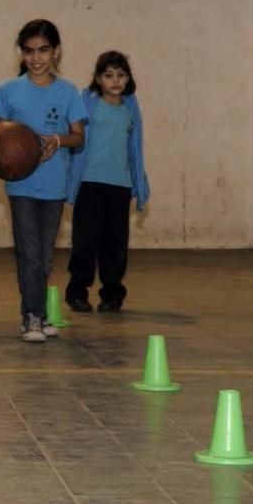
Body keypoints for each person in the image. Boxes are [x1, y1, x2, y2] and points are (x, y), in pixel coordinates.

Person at [0, 19, 88, 342]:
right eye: (29, 51)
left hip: (54, 186)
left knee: (44, 257)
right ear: (21, 53)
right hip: (21, 186)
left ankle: (40, 314)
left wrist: (58, 140)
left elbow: (79, 136)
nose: (36, 58)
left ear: (55, 52)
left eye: (43, 50)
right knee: (29, 252)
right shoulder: (9, 91)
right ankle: (31, 316)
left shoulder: (68, 92)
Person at [64, 51, 149, 313]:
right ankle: (77, 292)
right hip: (89, 185)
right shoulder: (87, 104)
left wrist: (139, 182)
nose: (115, 81)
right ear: (99, 79)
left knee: (115, 244)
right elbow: (73, 138)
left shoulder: (130, 109)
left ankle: (112, 294)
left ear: (128, 79)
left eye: (121, 75)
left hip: (120, 187)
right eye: (109, 75)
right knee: (85, 242)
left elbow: (135, 149)